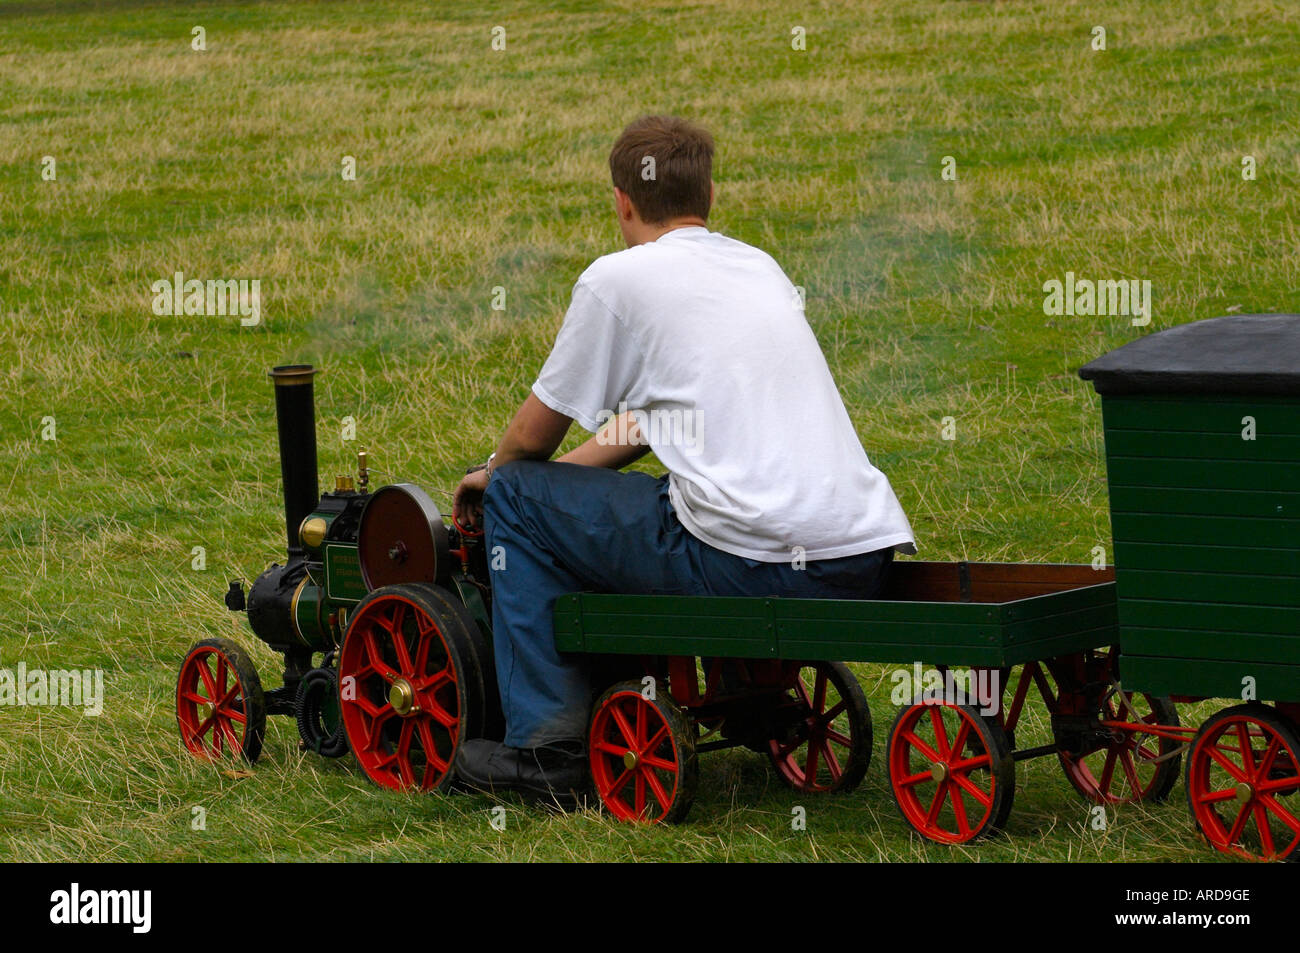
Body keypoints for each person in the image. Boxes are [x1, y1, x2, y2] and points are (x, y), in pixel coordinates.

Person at [452, 115, 916, 805]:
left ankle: (547, 750)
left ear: (621, 201)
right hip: (861, 551)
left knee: (516, 494)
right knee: (549, 494)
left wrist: (492, 475)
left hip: (746, 564)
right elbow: (657, 419)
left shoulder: (618, 279)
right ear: (709, 196)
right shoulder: (758, 266)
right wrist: (566, 491)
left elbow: (530, 442)